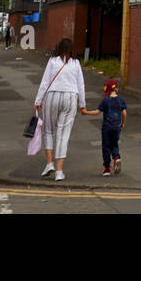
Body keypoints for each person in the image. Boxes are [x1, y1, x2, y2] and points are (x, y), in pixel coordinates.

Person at [33, 38, 86, 181]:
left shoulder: (53, 61)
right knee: (63, 135)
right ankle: (59, 172)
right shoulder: (76, 63)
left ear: (59, 48)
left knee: (48, 130)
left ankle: (49, 163)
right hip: (70, 97)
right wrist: (82, 105)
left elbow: (45, 81)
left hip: (52, 96)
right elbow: (80, 85)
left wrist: (38, 101)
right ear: (71, 49)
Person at [86, 78, 128, 176]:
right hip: (117, 127)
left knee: (106, 146)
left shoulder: (105, 100)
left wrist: (86, 112)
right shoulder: (121, 100)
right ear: (116, 89)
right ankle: (116, 158)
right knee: (114, 144)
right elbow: (124, 113)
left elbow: (97, 112)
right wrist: (122, 123)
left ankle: (107, 168)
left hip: (106, 127)